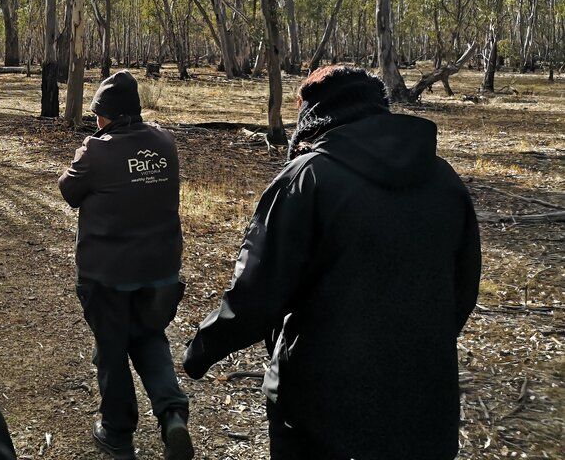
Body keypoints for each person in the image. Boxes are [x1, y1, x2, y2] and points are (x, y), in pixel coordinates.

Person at [183, 65, 482, 460]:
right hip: (423, 407)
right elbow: (463, 289)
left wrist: (200, 351)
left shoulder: (307, 178)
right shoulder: (445, 179)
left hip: (319, 413)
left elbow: (256, 294)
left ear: (313, 114)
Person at [59, 70, 192, 460]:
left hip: (107, 274)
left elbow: (68, 190)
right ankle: (172, 414)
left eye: (97, 115)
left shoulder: (96, 150)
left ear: (105, 116)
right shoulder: (165, 142)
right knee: (149, 336)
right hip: (161, 271)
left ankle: (117, 431)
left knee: (112, 348)